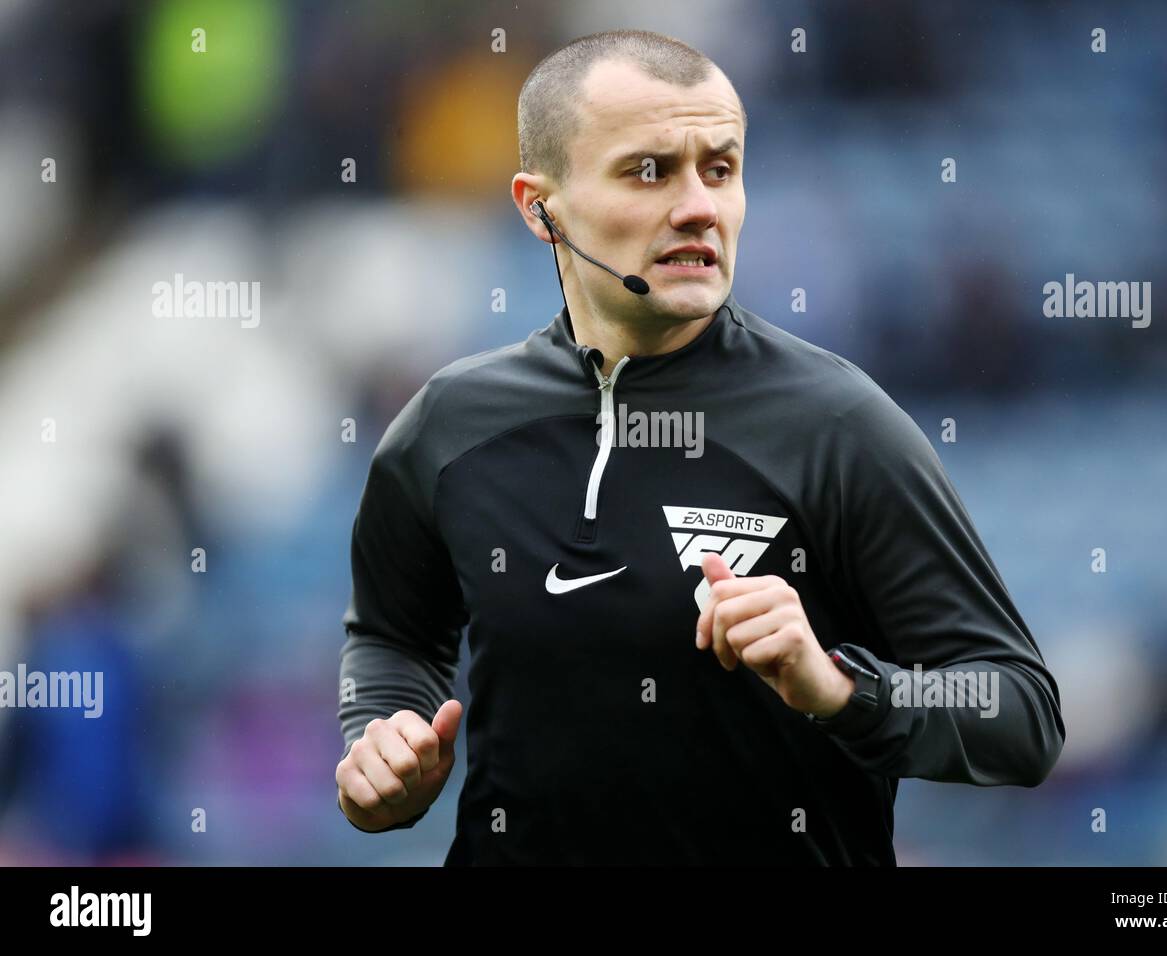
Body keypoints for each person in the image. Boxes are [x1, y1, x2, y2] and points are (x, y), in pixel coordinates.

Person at [335, 29, 1065, 865]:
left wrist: (840, 688)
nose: (698, 206)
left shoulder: (836, 424)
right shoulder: (450, 425)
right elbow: (393, 637)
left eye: (719, 169)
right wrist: (383, 742)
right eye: (650, 171)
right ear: (541, 208)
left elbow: (1020, 716)